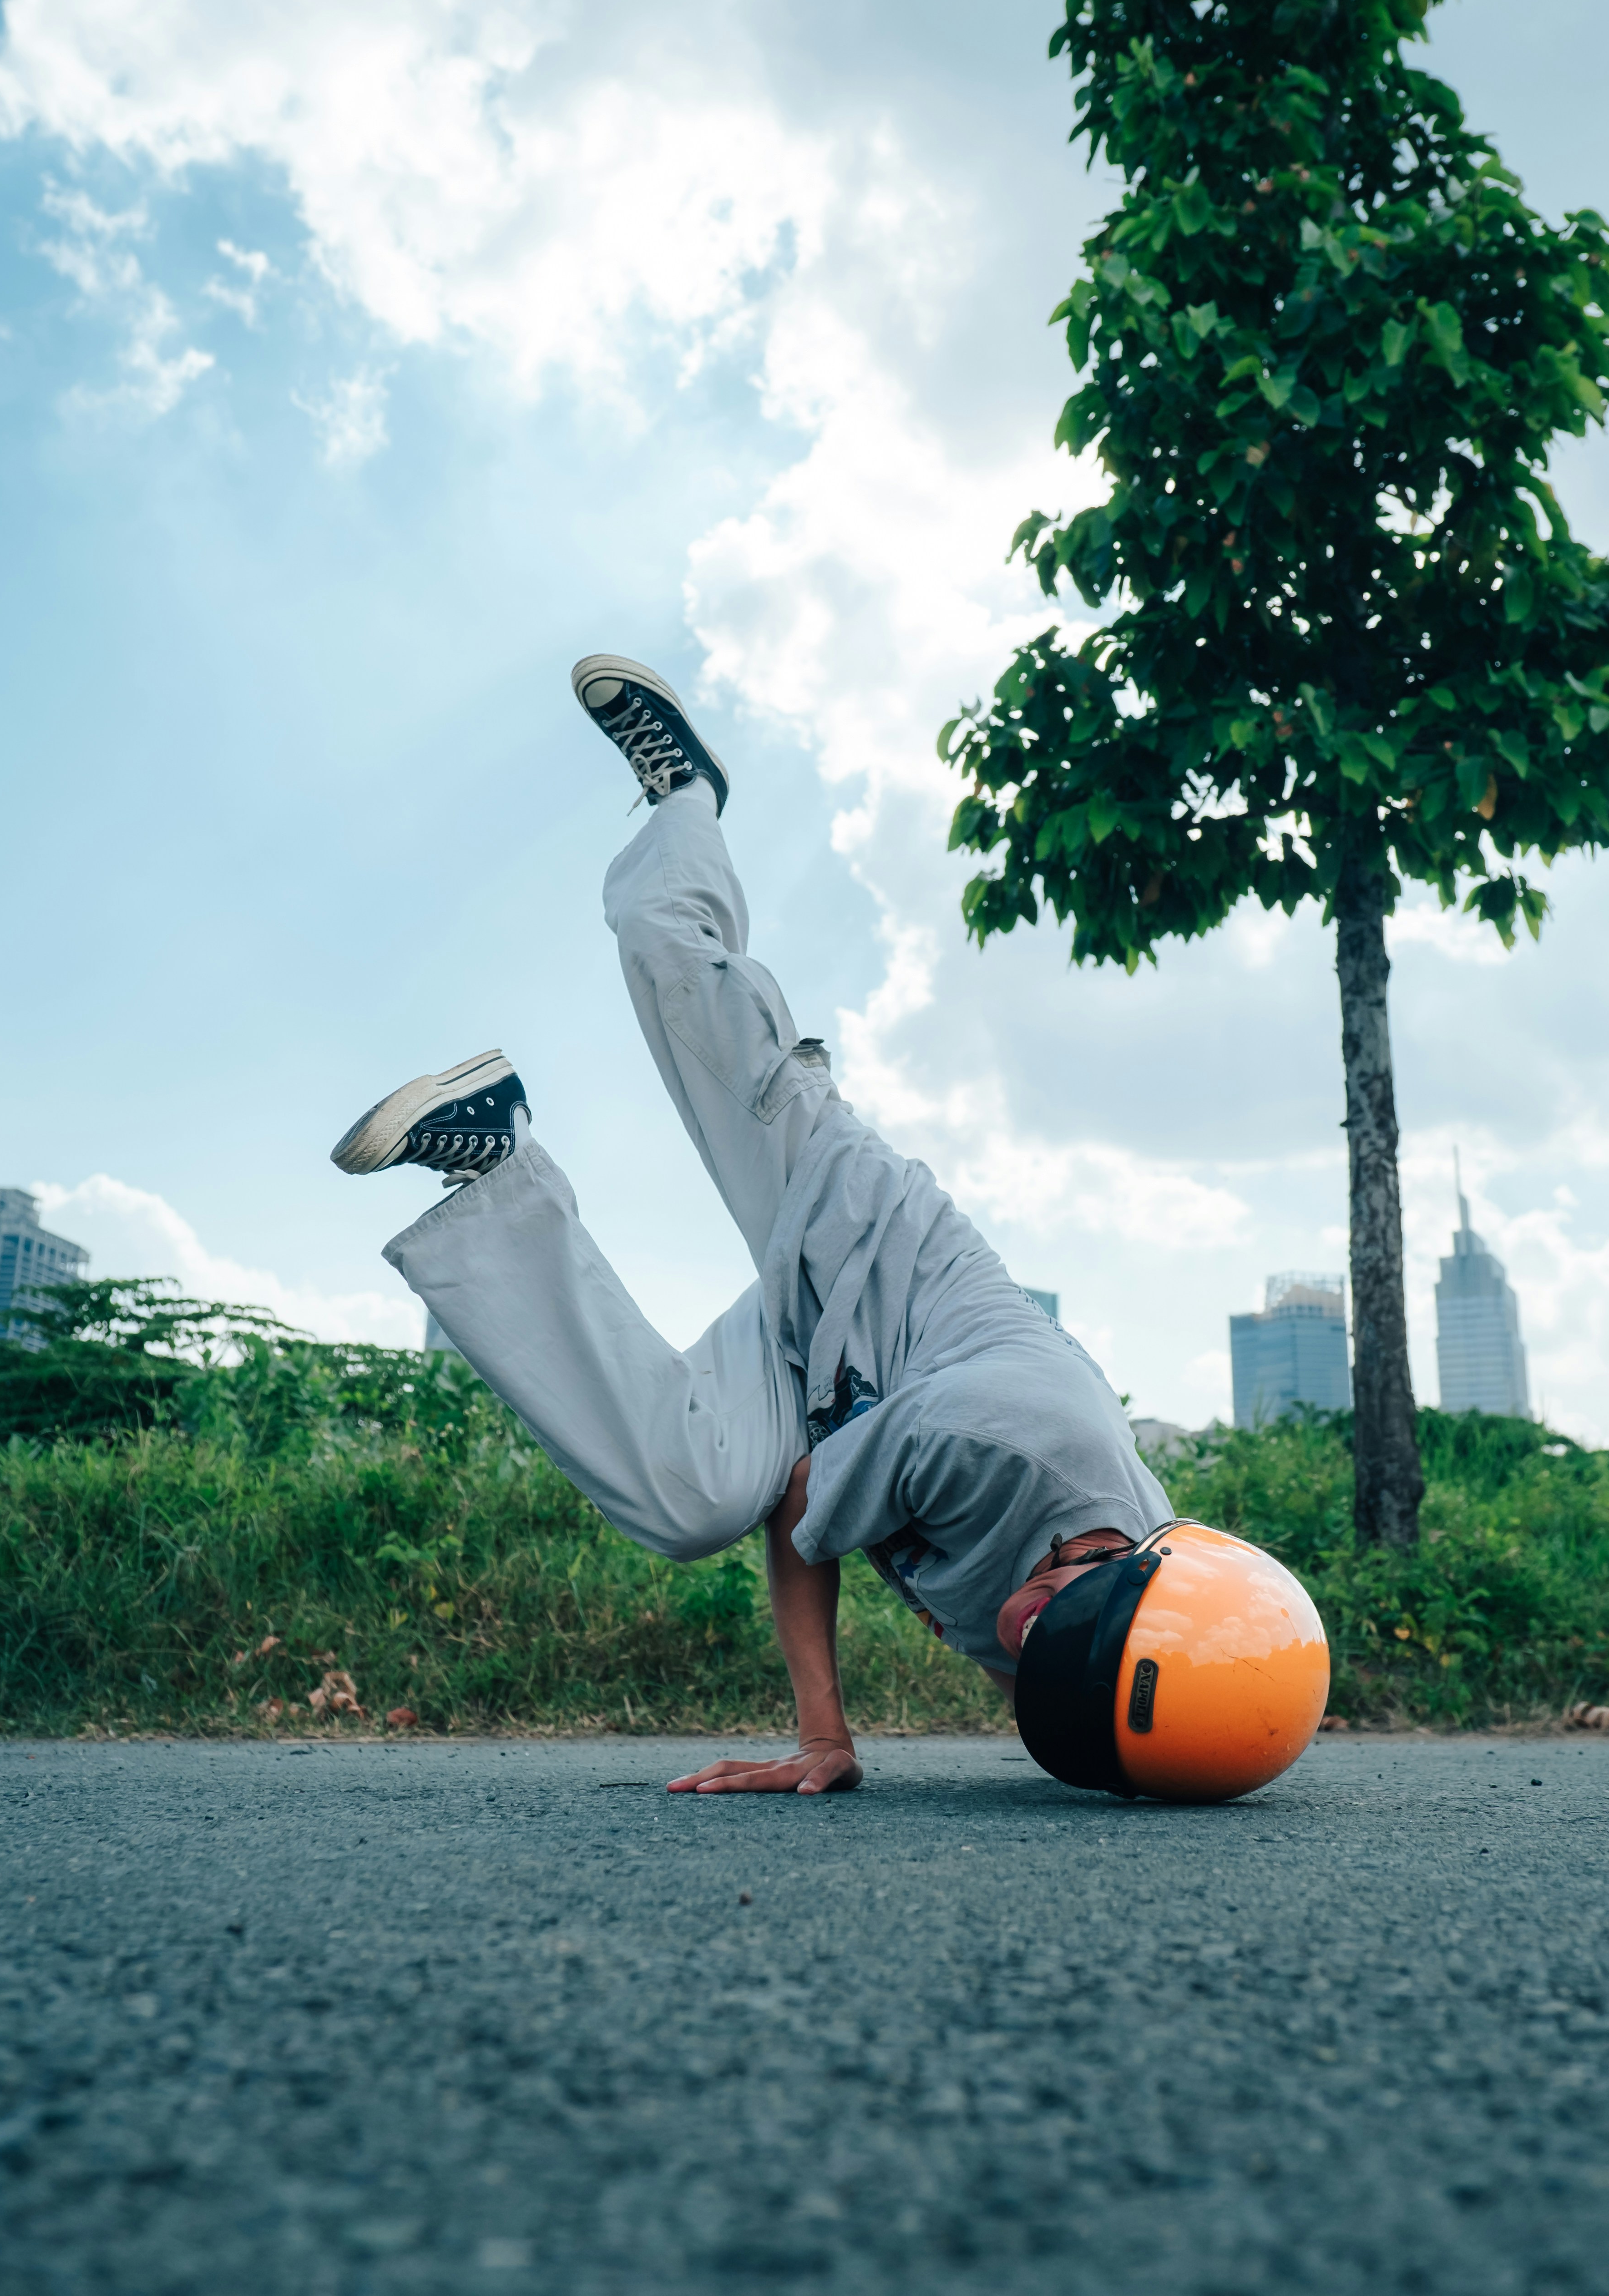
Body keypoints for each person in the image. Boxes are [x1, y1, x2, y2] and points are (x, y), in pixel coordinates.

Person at [331, 653, 1174, 1795]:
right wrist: (826, 1739)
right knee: (672, 958)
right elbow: (800, 1503)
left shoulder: (1092, 1644)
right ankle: (685, 802)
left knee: (681, 1497)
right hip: (862, 1233)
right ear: (1109, 1568)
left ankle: (495, 1160)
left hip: (829, 1373)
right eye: (1044, 1622)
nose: (1018, 1635)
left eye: (1035, 1660)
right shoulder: (1019, 1443)